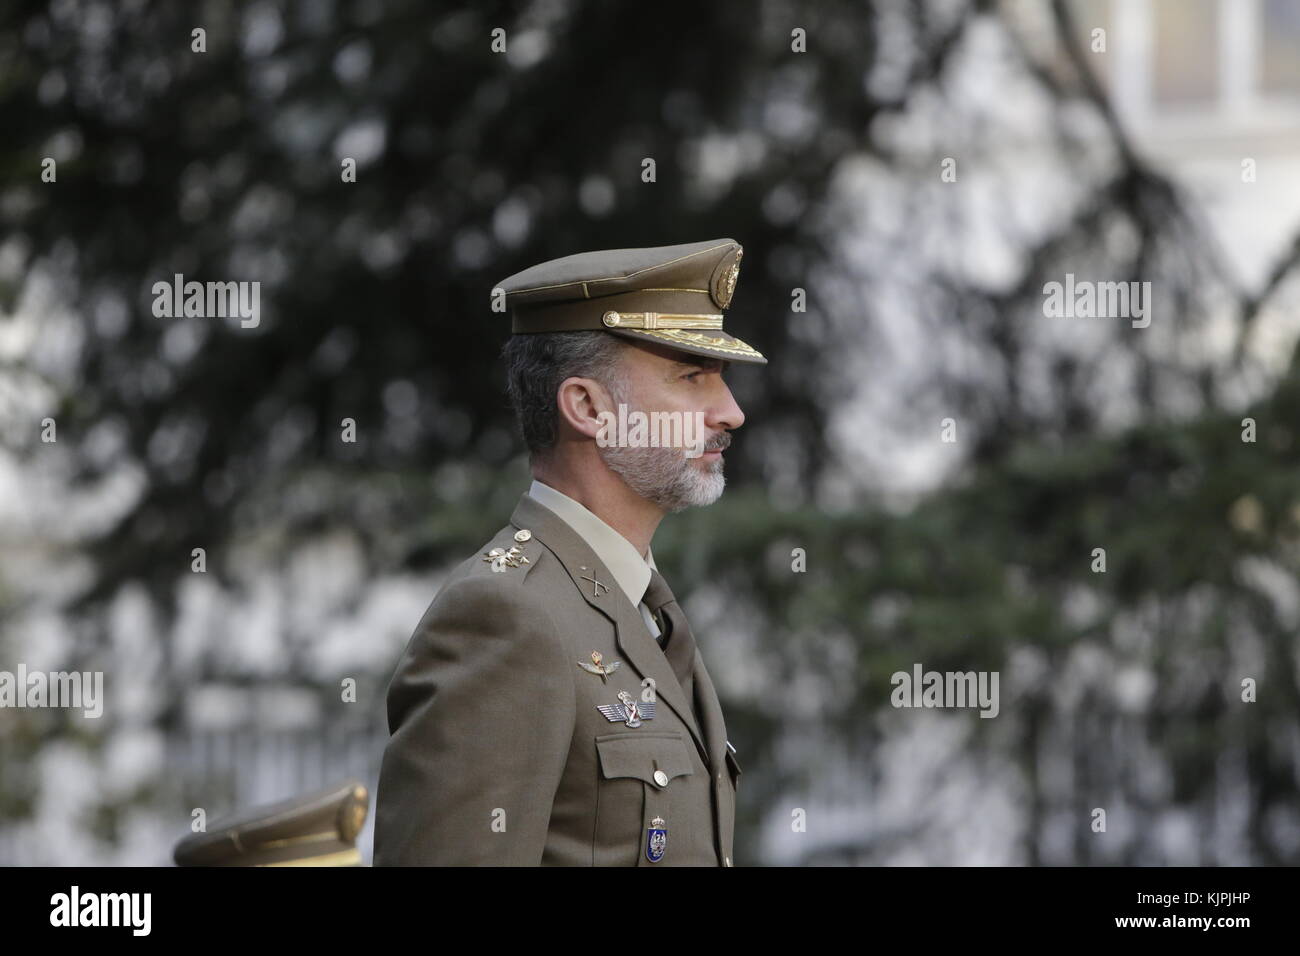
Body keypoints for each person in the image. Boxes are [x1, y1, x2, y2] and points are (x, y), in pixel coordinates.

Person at [373, 237, 765, 866]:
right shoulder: (506, 614)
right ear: (588, 407)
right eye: (691, 375)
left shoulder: (642, 607)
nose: (731, 411)